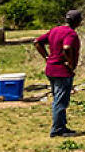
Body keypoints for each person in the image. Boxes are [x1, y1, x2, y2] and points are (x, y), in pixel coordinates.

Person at [34, 9, 82, 137]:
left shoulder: (55, 30)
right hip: (62, 71)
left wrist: (46, 57)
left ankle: (62, 126)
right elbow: (67, 47)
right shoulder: (71, 34)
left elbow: (37, 42)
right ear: (77, 22)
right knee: (60, 101)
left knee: (58, 99)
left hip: (51, 69)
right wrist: (71, 64)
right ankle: (57, 130)